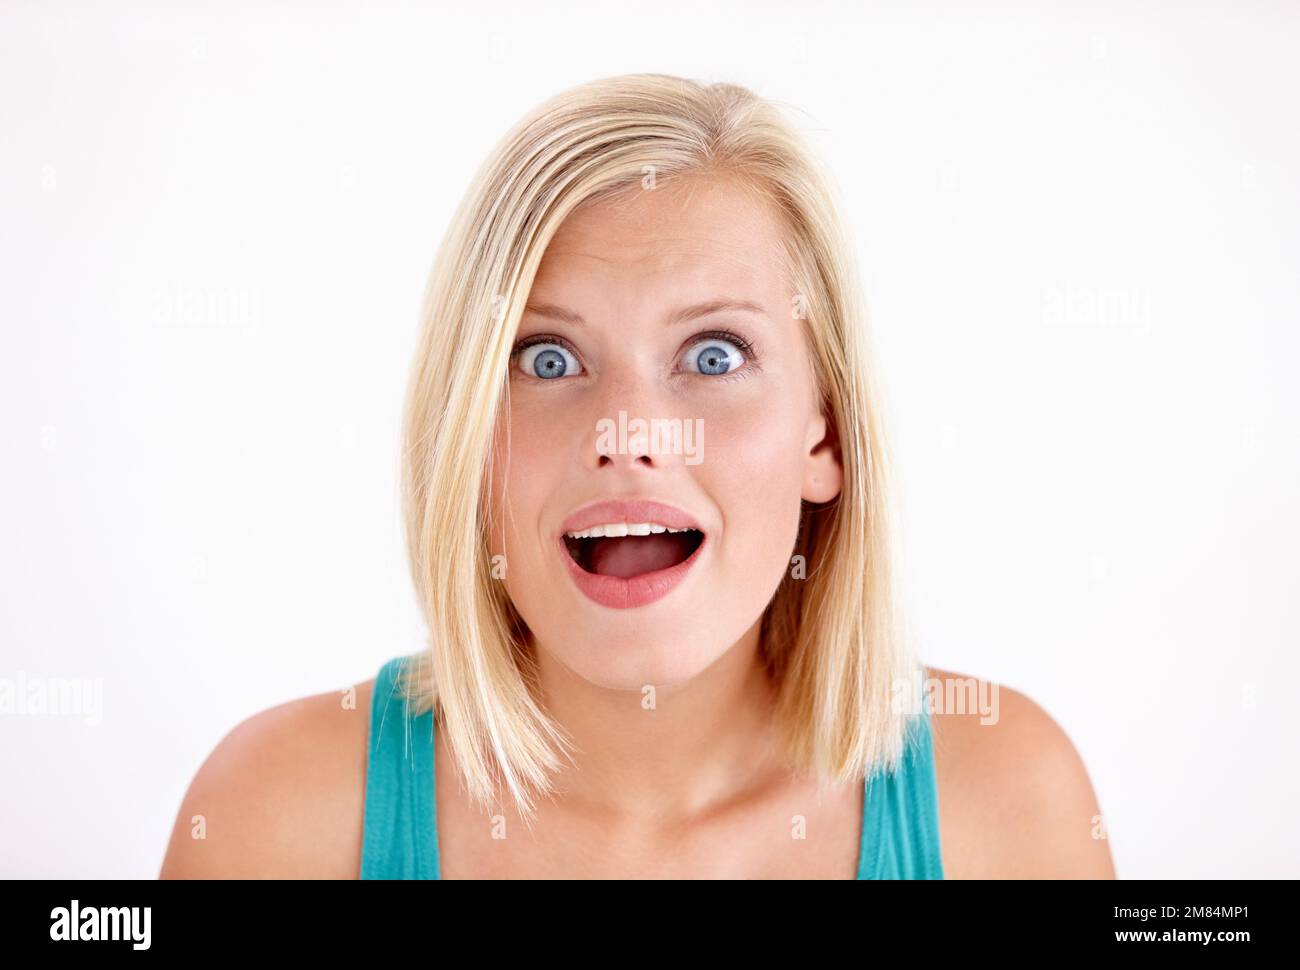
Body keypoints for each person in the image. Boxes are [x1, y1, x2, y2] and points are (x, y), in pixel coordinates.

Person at [160, 73, 1115, 879]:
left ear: (823, 438)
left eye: (713, 356)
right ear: (463, 442)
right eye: (546, 359)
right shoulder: (273, 821)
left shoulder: (1008, 804)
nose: (628, 434)